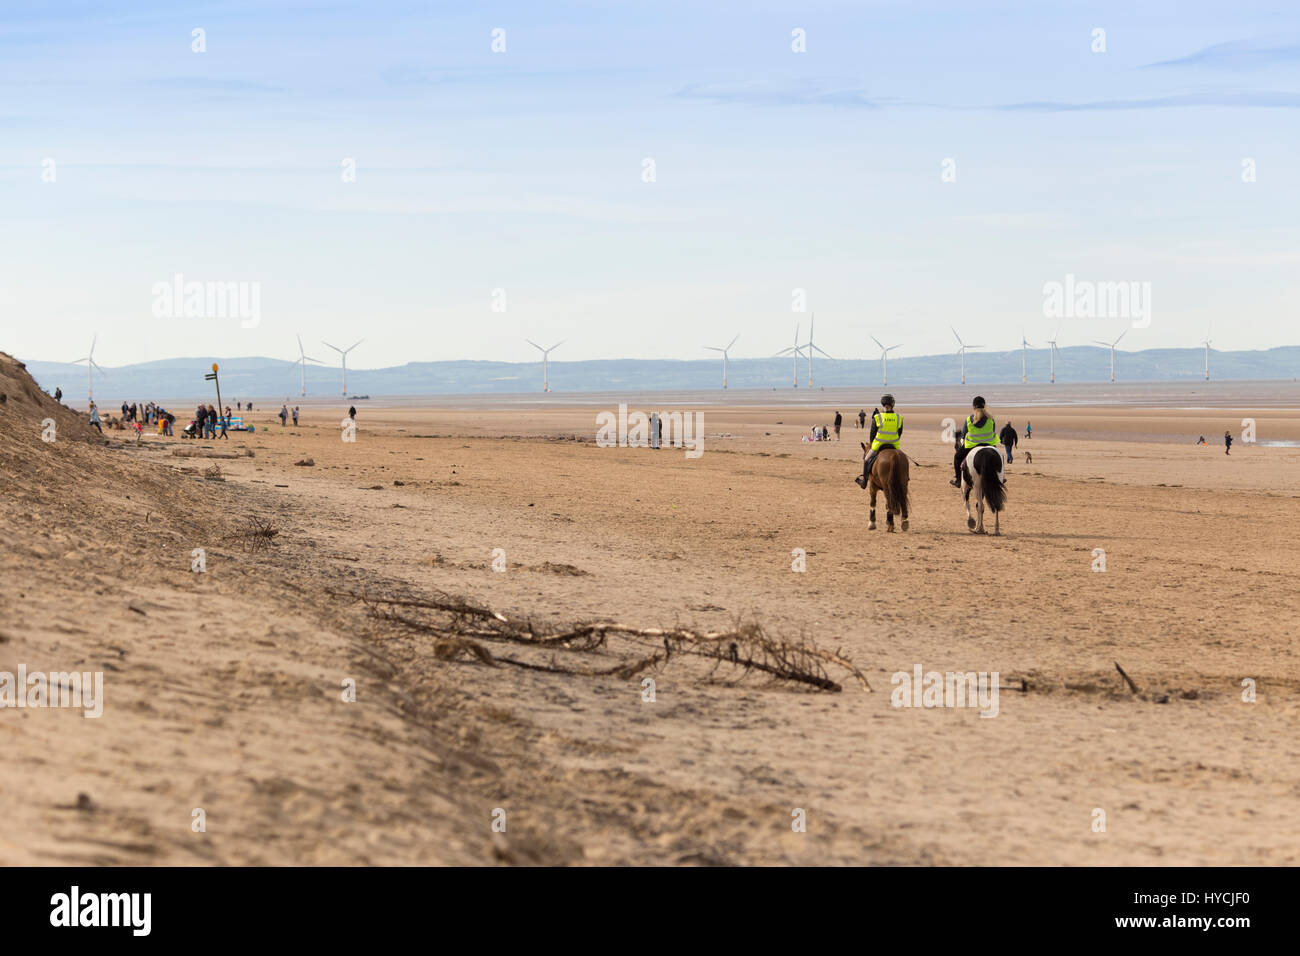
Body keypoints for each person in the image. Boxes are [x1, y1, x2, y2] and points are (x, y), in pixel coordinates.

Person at [951, 396, 1001, 487]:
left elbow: (964, 434)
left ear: (973, 407)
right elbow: (992, 431)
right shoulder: (991, 419)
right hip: (989, 444)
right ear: (984, 406)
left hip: (972, 445)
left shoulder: (969, 420)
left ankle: (958, 480)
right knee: (999, 458)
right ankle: (1000, 477)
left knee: (957, 457)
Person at [857, 394, 904, 488]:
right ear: (892, 405)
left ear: (883, 405)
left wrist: (872, 443)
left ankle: (864, 482)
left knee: (866, 460)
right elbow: (899, 433)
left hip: (878, 445)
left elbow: (872, 434)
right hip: (894, 445)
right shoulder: (899, 418)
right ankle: (905, 478)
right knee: (902, 460)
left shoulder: (877, 417)